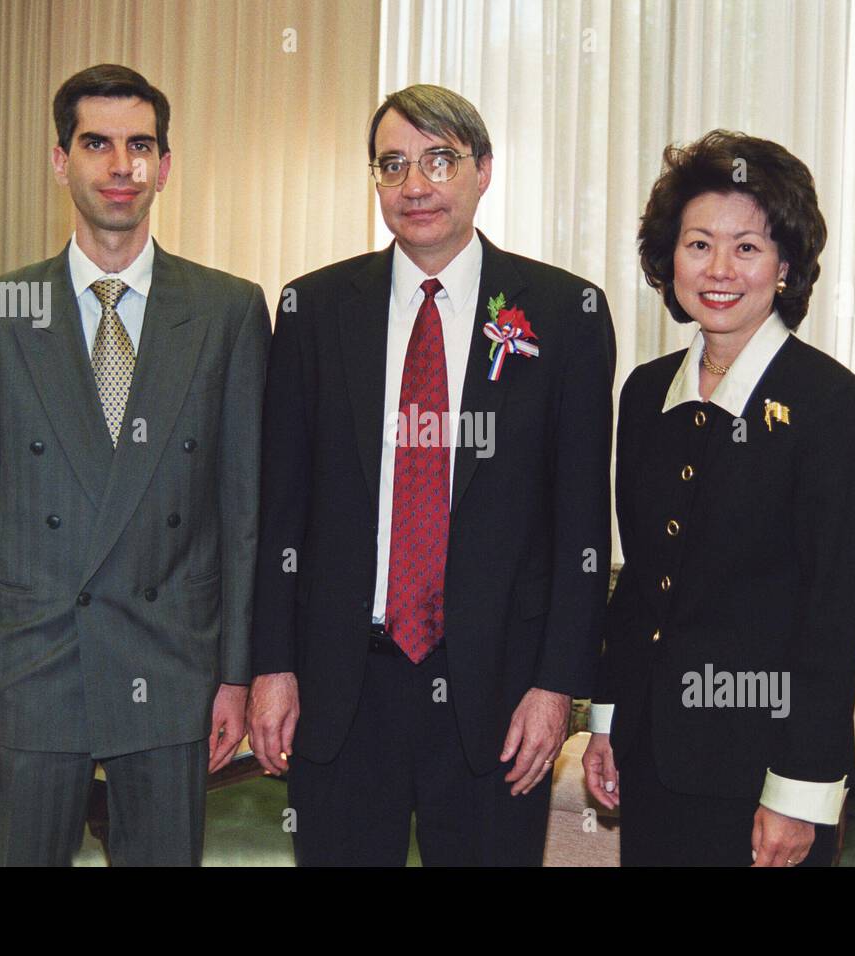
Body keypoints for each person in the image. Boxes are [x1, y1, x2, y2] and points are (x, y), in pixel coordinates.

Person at [248, 84, 616, 866]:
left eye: (439, 160)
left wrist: (557, 688)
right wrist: (272, 666)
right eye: (393, 165)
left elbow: (583, 522)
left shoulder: (563, 312)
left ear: (483, 170)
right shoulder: (313, 309)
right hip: (343, 684)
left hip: (496, 694)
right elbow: (280, 509)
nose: (415, 185)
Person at [0, 64, 269, 866]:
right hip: (33, 666)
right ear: (61, 160)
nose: (122, 166)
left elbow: (244, 510)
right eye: (98, 144)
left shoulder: (228, 311)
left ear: (166, 166)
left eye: (141, 145)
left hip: (173, 661)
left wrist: (237, 674)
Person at [583, 129, 855, 867]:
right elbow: (640, 586)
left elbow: (832, 616)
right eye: (698, 245)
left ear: (785, 265)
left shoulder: (831, 404)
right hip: (651, 759)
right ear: (669, 259)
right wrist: (608, 722)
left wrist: (799, 789)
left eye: (747, 247)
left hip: (761, 774)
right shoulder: (646, 392)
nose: (719, 270)